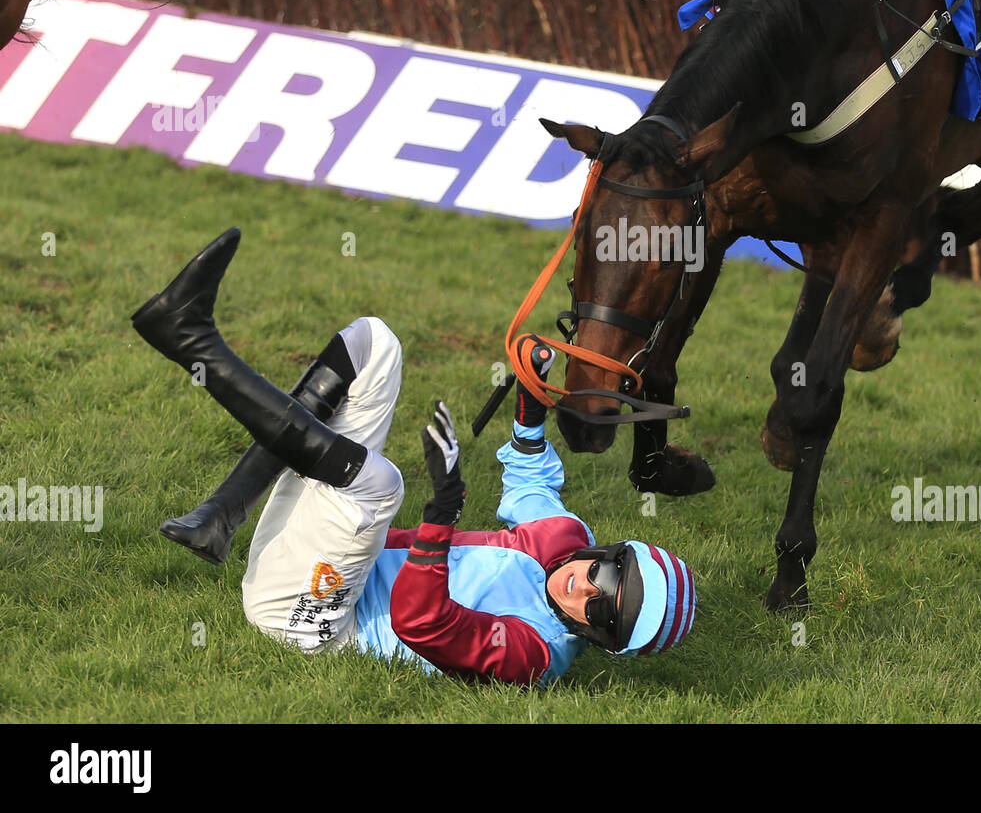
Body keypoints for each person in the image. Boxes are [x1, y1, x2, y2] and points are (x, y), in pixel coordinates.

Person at [132, 228, 696, 686]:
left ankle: (192, 339)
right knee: (375, 344)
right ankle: (221, 515)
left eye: (599, 611)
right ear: (605, 553)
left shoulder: (535, 655)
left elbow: (422, 623)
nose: (582, 587)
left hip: (310, 618)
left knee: (379, 485)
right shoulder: (562, 539)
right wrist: (531, 401)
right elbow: (529, 477)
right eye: (602, 574)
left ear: (599, 638)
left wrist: (443, 515)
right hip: (321, 556)